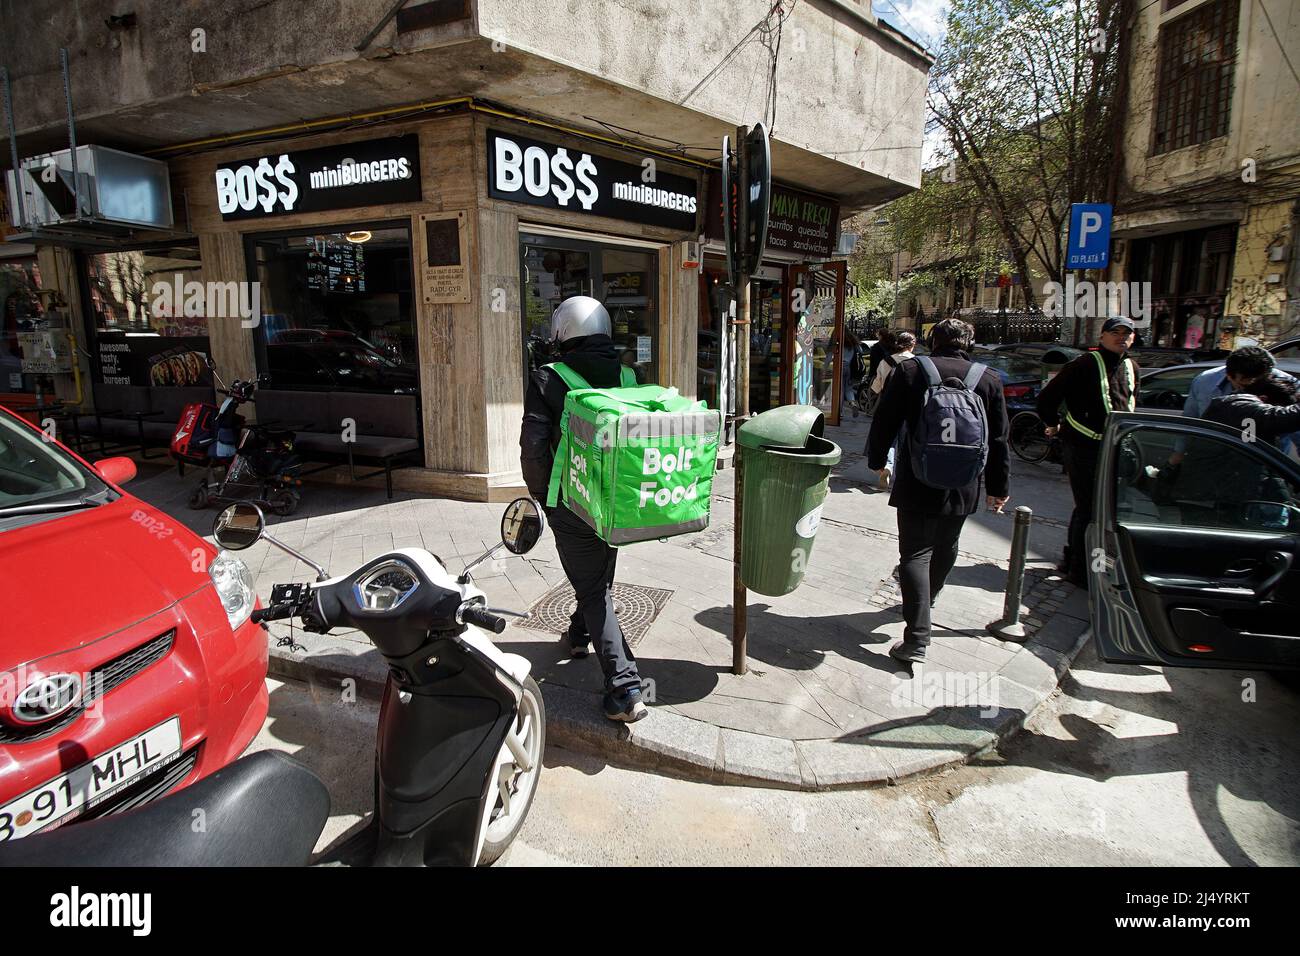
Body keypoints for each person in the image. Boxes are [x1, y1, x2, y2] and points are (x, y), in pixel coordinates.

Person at [519, 296, 647, 722]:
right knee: (598, 574)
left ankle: (625, 687)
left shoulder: (549, 378)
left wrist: (543, 499)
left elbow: (533, 447)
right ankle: (578, 635)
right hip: (618, 501)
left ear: (563, 332)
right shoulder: (629, 375)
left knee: (594, 587)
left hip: (572, 502)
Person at [867, 317, 1011, 665]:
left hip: (918, 474)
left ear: (933, 340)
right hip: (964, 479)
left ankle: (917, 637)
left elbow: (885, 419)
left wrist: (876, 460)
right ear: (970, 342)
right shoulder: (988, 379)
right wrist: (998, 488)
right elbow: (999, 439)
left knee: (915, 553)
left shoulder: (913, 371)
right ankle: (926, 602)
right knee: (947, 545)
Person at [1036, 316, 1140, 587]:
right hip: (1083, 445)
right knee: (1090, 509)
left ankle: (1076, 560)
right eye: (1115, 332)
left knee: (1096, 508)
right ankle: (1080, 571)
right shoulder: (1083, 364)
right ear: (1102, 336)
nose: (1121, 338)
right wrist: (1054, 425)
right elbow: (1048, 398)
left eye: (1127, 333)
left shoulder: (1131, 366)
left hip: (1114, 446)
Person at [1175, 346, 1298, 462]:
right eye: (1244, 385)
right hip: (1218, 461)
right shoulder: (1205, 382)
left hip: (1268, 462)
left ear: (1269, 374)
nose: (1249, 389)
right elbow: (1190, 421)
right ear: (1229, 375)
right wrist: (1179, 454)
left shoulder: (1286, 385)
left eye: (1257, 382)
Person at [868, 329, 917, 489]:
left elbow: (876, 387)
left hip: (887, 404)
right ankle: (904, 471)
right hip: (910, 405)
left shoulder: (885, 362)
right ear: (912, 345)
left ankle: (887, 465)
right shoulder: (918, 363)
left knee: (888, 436)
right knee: (906, 439)